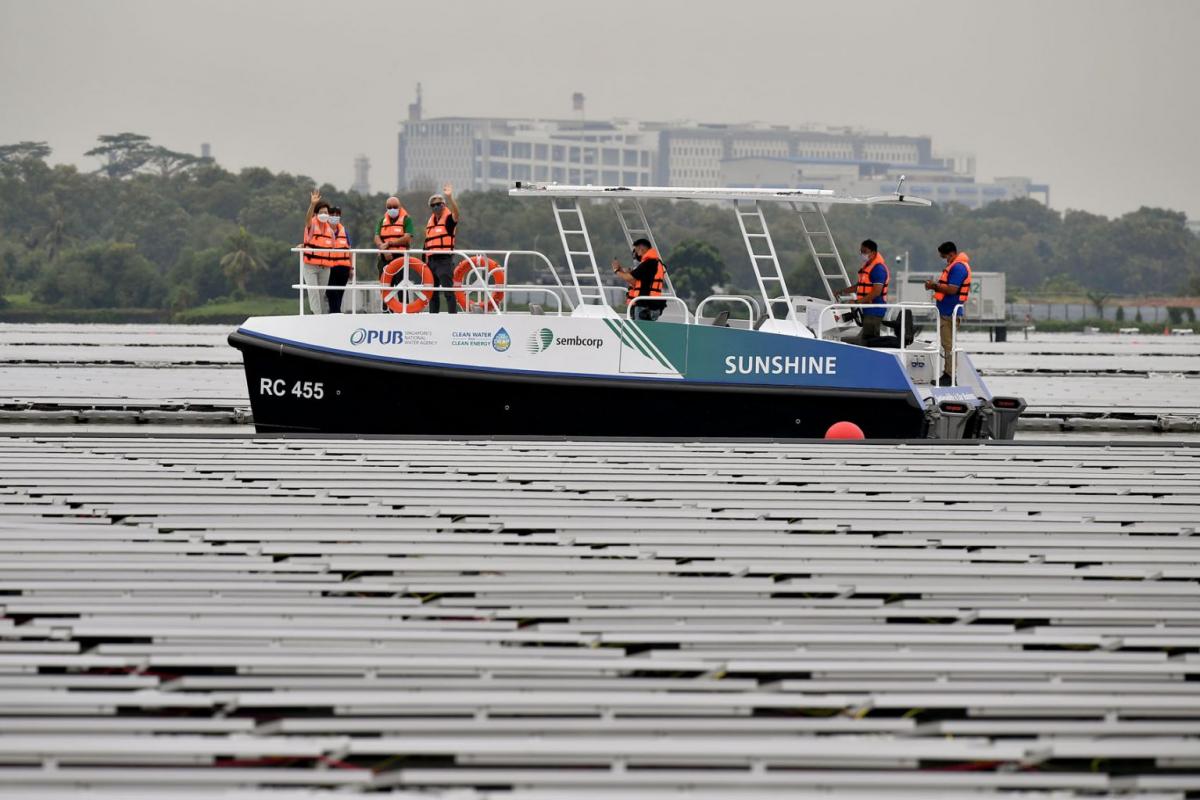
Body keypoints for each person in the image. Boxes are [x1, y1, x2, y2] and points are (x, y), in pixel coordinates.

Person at [925, 241, 972, 385]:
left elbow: (952, 289)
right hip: (946, 311)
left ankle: (949, 376)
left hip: (950, 313)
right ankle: (948, 374)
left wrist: (934, 286)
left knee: (948, 345)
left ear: (951, 254)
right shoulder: (956, 265)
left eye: (945, 257)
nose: (946, 260)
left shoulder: (958, 267)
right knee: (947, 344)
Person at [835, 239, 889, 346]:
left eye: (864, 251)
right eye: (861, 251)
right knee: (867, 338)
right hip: (867, 310)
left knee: (868, 341)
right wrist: (842, 291)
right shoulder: (867, 267)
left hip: (875, 310)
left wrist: (857, 302)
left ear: (873, 253)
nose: (862, 254)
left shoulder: (878, 269)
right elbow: (859, 286)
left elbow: (876, 292)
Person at [372, 196, 413, 313]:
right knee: (385, 284)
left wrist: (389, 243)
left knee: (401, 285)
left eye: (395, 207)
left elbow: (407, 237)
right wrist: (384, 249)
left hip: (400, 257)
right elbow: (376, 237)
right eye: (389, 207)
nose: (392, 209)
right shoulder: (381, 220)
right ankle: (386, 309)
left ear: (400, 207)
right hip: (385, 257)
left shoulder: (406, 219)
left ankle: (404, 310)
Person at [424, 183, 460, 313]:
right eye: (433, 205)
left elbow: (456, 214)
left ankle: (452, 318)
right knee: (432, 294)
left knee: (448, 292)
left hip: (444, 260)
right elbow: (427, 243)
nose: (436, 207)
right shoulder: (430, 222)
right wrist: (425, 262)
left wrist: (450, 198)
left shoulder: (449, 219)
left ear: (444, 205)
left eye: (439, 204)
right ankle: (434, 318)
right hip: (431, 262)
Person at [611, 238, 667, 321]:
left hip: (644, 305)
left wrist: (616, 270)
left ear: (642, 248)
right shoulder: (656, 263)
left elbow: (629, 277)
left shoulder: (648, 263)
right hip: (653, 305)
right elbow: (635, 282)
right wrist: (621, 270)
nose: (636, 253)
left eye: (636, 250)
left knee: (640, 329)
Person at [301, 189, 333, 314]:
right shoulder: (312, 224)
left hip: (325, 267)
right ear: (316, 213)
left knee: (321, 294)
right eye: (322, 212)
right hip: (310, 265)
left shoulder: (330, 230)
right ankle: (316, 316)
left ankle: (319, 316)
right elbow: (307, 219)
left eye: (326, 212)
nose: (324, 214)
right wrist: (313, 204)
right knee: (313, 292)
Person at [325, 206, 353, 313]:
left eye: (337, 215)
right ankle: (336, 315)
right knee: (332, 294)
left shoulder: (344, 231)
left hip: (343, 268)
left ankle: (335, 314)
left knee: (339, 294)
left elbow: (349, 250)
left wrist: (351, 268)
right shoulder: (323, 230)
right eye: (332, 215)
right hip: (329, 268)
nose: (335, 217)